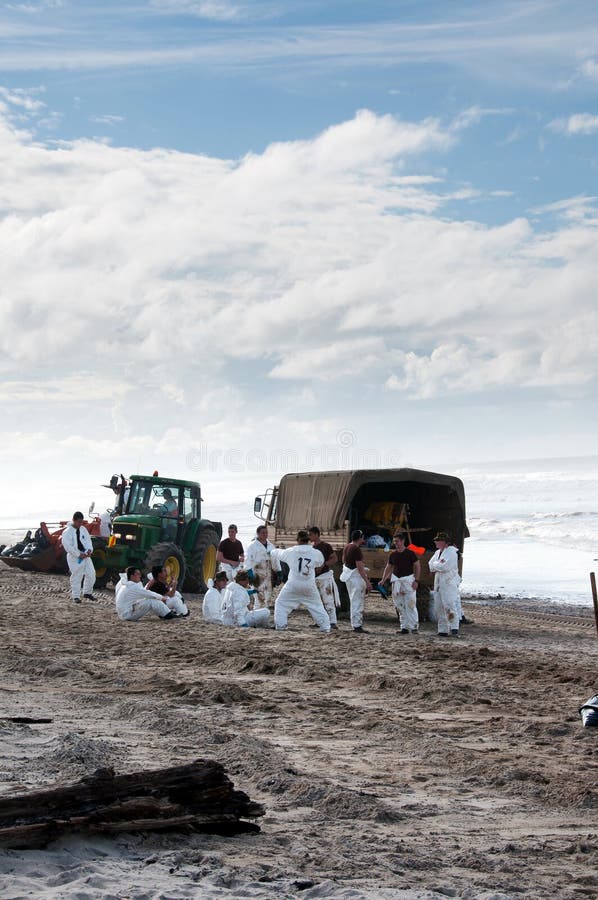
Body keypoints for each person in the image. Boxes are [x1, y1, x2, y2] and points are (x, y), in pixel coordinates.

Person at [271, 531, 330, 633]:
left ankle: (281, 625)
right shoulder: (316, 553)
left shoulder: (291, 551)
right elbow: (320, 562)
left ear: (297, 540)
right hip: (308, 584)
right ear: (308, 540)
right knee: (317, 607)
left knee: (281, 604)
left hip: (293, 584)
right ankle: (325, 627)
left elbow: (277, 553)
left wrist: (271, 551)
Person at [381, 532, 421, 634]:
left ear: (403, 541)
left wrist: (416, 580)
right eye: (394, 541)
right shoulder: (393, 554)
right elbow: (388, 567)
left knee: (410, 604)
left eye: (397, 541)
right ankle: (404, 627)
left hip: (408, 581)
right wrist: (383, 579)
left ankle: (414, 627)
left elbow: (417, 566)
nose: (395, 543)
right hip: (397, 581)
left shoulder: (410, 553)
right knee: (399, 605)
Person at [429, 531, 461, 637]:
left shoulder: (452, 552)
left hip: (448, 582)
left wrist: (436, 565)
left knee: (449, 605)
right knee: (439, 606)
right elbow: (430, 565)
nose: (436, 542)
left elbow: (444, 567)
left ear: (444, 542)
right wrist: (437, 565)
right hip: (438, 582)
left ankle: (454, 628)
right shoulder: (437, 552)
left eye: (438, 541)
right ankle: (443, 630)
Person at [308, 526, 340, 629]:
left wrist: (324, 564)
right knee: (316, 600)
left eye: (311, 534)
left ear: (316, 534)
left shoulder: (325, 546)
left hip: (324, 577)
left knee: (328, 599)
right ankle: (319, 621)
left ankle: (332, 622)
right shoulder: (311, 548)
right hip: (314, 577)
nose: (309, 537)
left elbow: (334, 558)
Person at [61, 511, 97, 604]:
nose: (80, 524)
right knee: (77, 576)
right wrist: (78, 554)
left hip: (85, 555)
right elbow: (68, 546)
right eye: (78, 522)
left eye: (81, 522)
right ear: (73, 520)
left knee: (91, 574)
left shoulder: (83, 529)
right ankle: (76, 596)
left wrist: (89, 550)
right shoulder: (67, 532)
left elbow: (88, 541)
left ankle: (87, 593)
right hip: (74, 557)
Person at [340, 530, 372, 633]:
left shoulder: (347, 546)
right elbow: (359, 567)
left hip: (349, 576)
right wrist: (367, 582)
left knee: (353, 600)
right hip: (355, 578)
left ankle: (355, 624)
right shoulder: (356, 549)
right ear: (360, 538)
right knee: (357, 602)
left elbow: (343, 560)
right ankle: (357, 625)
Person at [243, 525, 281, 609]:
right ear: (258, 534)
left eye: (266, 532)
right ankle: (256, 613)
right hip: (256, 576)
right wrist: (249, 573)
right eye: (263, 533)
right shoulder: (251, 546)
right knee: (258, 599)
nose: (265, 534)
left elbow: (275, 559)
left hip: (268, 575)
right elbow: (247, 560)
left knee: (268, 599)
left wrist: (279, 571)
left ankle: (265, 614)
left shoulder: (271, 546)